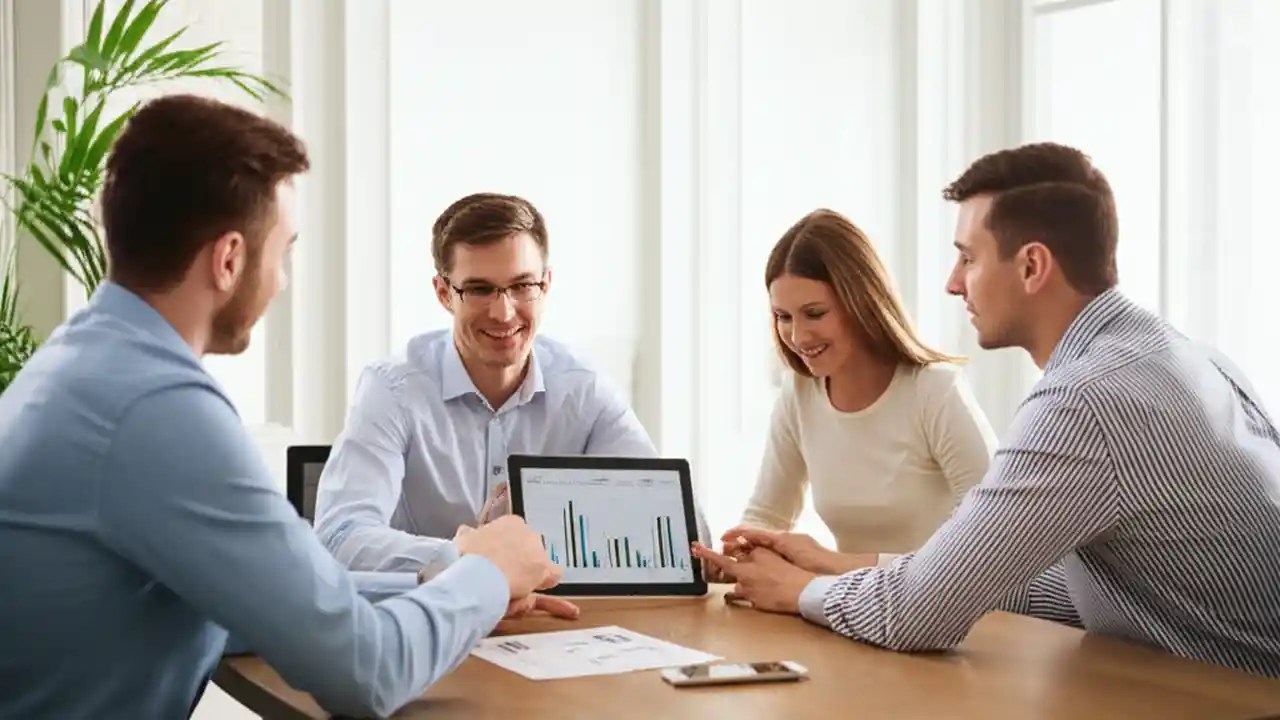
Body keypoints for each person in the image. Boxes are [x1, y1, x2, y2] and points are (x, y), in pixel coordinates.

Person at [0, 95, 565, 719]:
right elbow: (366, 673)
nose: (282, 280)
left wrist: (448, 581)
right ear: (230, 259)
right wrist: (485, 574)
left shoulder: (83, 363)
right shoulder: (158, 410)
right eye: (284, 251)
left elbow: (273, 601)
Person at [694, 142, 1280, 678]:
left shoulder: (1084, 399)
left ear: (1031, 266)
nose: (953, 284)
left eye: (967, 258)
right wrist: (838, 565)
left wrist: (797, 592)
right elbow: (1045, 587)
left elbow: (920, 616)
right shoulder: (1182, 356)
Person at [314, 192, 708, 583]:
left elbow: (675, 527)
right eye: (479, 289)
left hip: (557, 627)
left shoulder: (585, 389)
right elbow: (338, 537)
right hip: (432, 622)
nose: (503, 312)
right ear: (443, 292)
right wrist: (466, 557)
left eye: (522, 286)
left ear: (546, 284)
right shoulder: (393, 390)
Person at [713, 208, 995, 581]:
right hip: (857, 611)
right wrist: (733, 557)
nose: (798, 337)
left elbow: (993, 546)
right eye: (783, 317)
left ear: (860, 301)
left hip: (950, 616)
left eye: (814, 313)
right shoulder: (799, 395)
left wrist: (830, 563)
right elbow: (767, 516)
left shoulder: (935, 391)